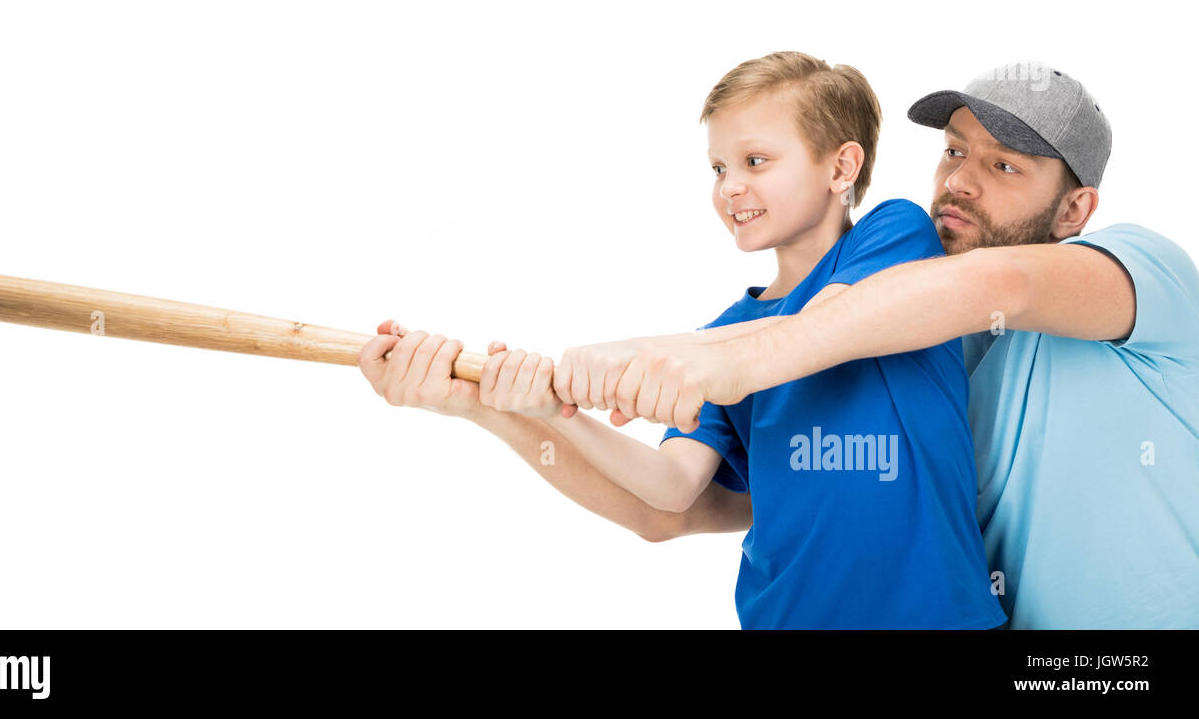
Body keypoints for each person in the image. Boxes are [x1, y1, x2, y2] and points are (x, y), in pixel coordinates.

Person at [359, 52, 1006, 629]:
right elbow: (670, 490)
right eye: (719, 167)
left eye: (756, 161)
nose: (729, 187)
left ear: (842, 166)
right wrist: (552, 411)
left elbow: (810, 334)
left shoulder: (896, 237)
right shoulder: (720, 336)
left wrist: (626, 356)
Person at [558, 61, 1199, 629]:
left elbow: (1004, 280)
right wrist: (531, 410)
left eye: (1003, 165)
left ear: (1073, 210)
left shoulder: (1142, 264)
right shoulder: (930, 348)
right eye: (953, 152)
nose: (959, 182)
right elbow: (717, 502)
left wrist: (711, 361)